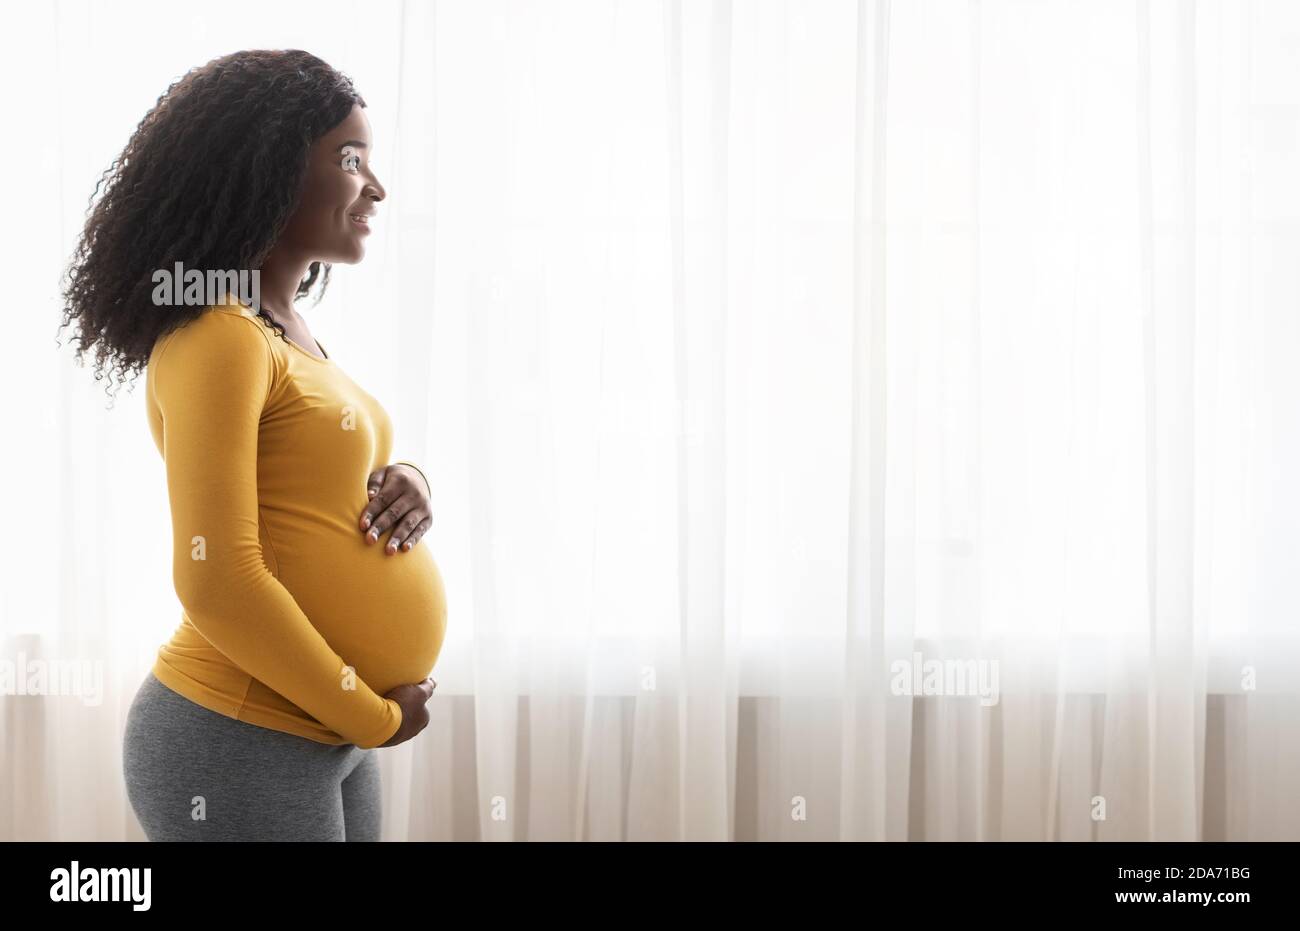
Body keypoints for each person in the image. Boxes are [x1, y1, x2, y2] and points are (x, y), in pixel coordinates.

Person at [57, 49, 447, 841]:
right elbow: (217, 578)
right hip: (238, 733)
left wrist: (409, 477)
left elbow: (312, 485)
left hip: (324, 726)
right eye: (350, 161)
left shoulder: (284, 331)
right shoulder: (219, 336)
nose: (376, 188)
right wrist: (368, 714)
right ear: (268, 169)